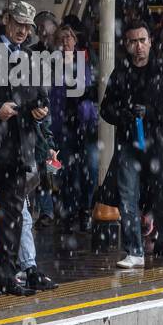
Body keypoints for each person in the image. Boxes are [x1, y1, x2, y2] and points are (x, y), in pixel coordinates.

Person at [0, 1, 56, 295]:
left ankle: (6, 275)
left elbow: (40, 95)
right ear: (6, 19)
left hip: (20, 145)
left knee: (11, 214)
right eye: (18, 24)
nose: (22, 31)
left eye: (27, 27)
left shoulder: (30, 56)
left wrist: (41, 110)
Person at [100, 19, 163, 269]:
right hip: (130, 144)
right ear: (126, 44)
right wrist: (124, 114)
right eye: (133, 41)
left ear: (150, 42)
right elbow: (106, 109)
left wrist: (151, 112)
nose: (139, 46)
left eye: (143, 40)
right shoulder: (120, 73)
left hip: (160, 146)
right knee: (127, 197)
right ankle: (134, 250)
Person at [49, 22, 98, 231]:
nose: (65, 42)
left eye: (69, 37)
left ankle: (85, 208)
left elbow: (95, 87)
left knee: (90, 169)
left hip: (86, 124)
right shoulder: (52, 64)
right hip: (63, 124)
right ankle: (70, 211)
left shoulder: (87, 61)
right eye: (61, 38)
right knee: (67, 171)